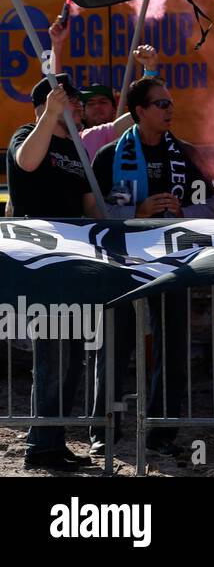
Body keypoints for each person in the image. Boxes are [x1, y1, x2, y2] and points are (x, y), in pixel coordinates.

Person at [89, 75, 214, 459]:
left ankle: (161, 433)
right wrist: (137, 212)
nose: (169, 109)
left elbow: (211, 206)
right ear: (139, 111)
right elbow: (93, 212)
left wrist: (183, 210)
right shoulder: (111, 155)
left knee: (173, 347)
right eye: (161, 104)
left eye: (170, 103)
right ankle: (104, 430)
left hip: (171, 262)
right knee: (114, 346)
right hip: (121, 262)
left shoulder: (186, 153)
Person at [8, 74, 100, 470]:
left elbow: (90, 207)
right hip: (42, 263)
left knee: (72, 356)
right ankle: (40, 444)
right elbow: (27, 162)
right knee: (52, 356)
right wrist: (49, 114)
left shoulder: (77, 149)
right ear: (48, 104)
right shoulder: (27, 134)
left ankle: (54, 436)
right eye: (71, 100)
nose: (77, 106)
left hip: (74, 263)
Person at [48, 12, 162, 156]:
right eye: (90, 103)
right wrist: (56, 46)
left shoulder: (108, 134)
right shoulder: (75, 137)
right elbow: (54, 88)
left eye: (103, 102)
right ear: (82, 111)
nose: (97, 107)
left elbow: (141, 112)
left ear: (114, 109)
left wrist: (150, 70)